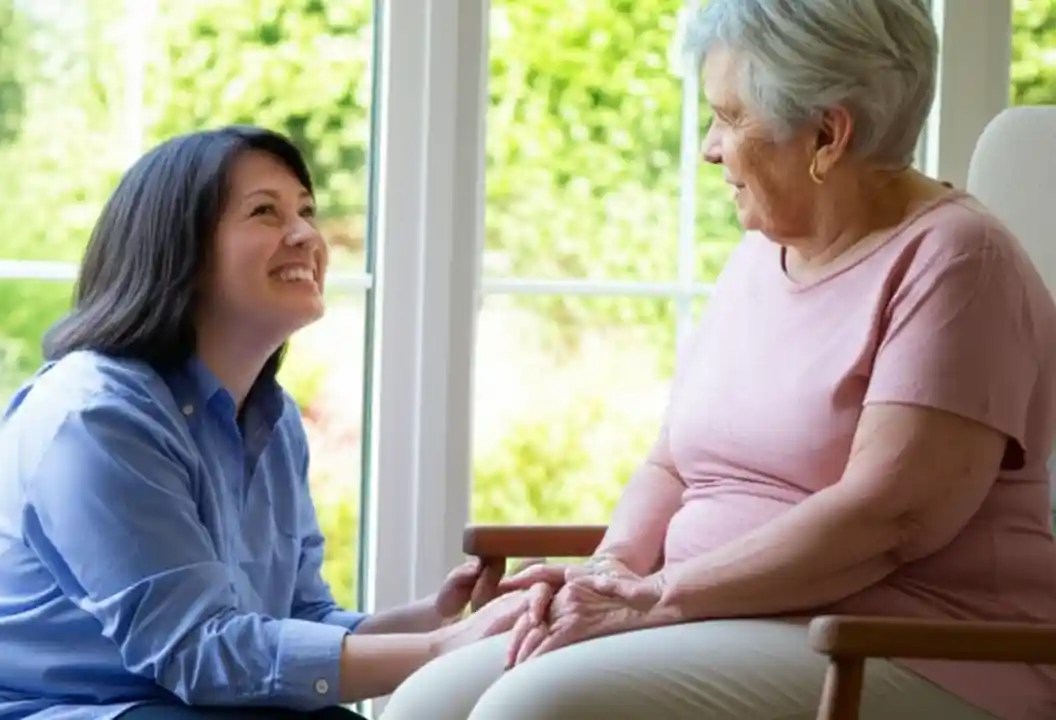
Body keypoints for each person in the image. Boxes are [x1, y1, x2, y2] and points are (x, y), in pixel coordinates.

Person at [383, 1, 1056, 718]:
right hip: (728, 619)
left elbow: (887, 519)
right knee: (430, 700)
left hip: (904, 645)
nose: (709, 147)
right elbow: (673, 461)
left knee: (535, 708)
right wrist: (611, 572)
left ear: (827, 134)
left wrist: (662, 597)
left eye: (730, 117)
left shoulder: (957, 261)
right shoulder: (760, 256)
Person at [0, 126, 527, 720]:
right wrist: (444, 648)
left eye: (306, 210)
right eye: (265, 211)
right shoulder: (93, 415)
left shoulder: (271, 422)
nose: (306, 235)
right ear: (177, 248)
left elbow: (296, 621)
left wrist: (434, 619)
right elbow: (200, 652)